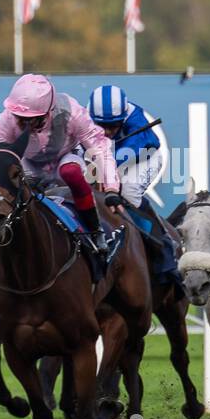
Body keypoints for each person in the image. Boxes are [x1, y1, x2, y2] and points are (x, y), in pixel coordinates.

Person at [0, 74, 123, 255]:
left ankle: (95, 231)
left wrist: (111, 189)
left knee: (70, 172)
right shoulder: (8, 117)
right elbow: (0, 156)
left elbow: (99, 148)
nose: (23, 124)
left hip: (66, 156)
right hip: (30, 163)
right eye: (19, 117)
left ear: (48, 112)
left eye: (30, 119)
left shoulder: (71, 111)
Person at [87, 85, 181, 285]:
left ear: (123, 115)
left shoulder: (134, 115)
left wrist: (107, 168)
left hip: (144, 158)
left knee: (128, 192)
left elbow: (138, 147)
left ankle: (163, 246)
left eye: (113, 125)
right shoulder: (84, 118)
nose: (107, 131)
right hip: (109, 161)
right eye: (101, 125)